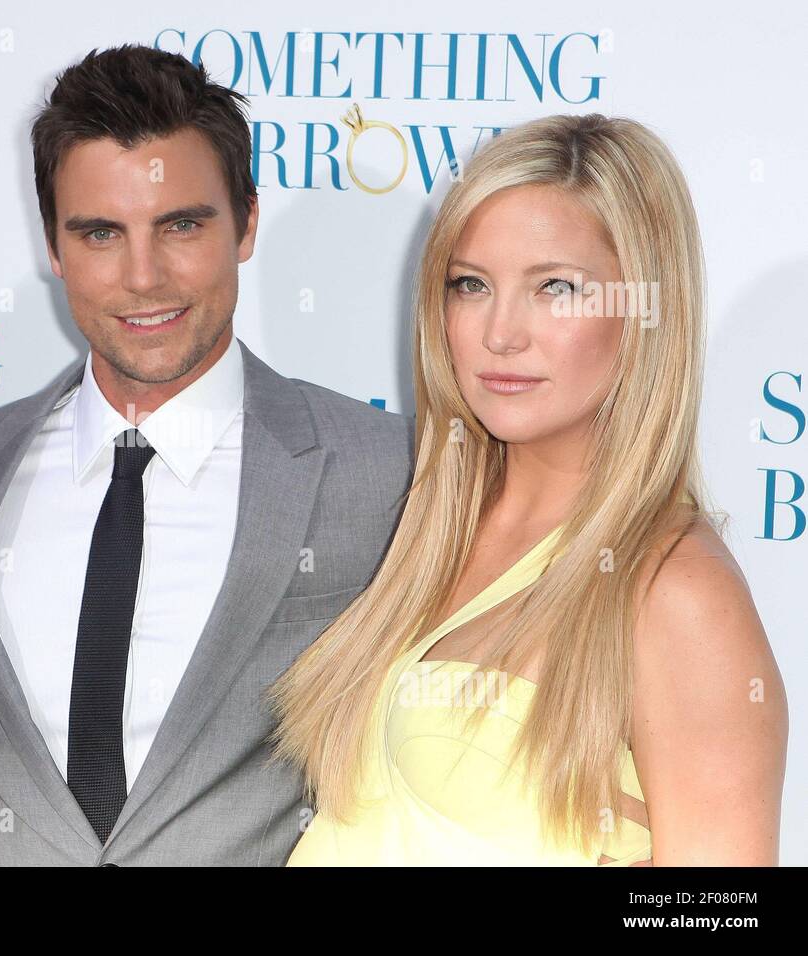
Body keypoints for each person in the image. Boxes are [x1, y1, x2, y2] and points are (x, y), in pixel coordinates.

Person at [0, 44, 414, 865]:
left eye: (181, 225)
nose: (144, 277)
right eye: (101, 233)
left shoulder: (389, 472)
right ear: (53, 247)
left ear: (246, 222)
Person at [274, 114, 789, 866]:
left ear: (645, 313)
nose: (500, 333)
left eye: (555, 287)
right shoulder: (430, 532)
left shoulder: (675, 590)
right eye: (470, 284)